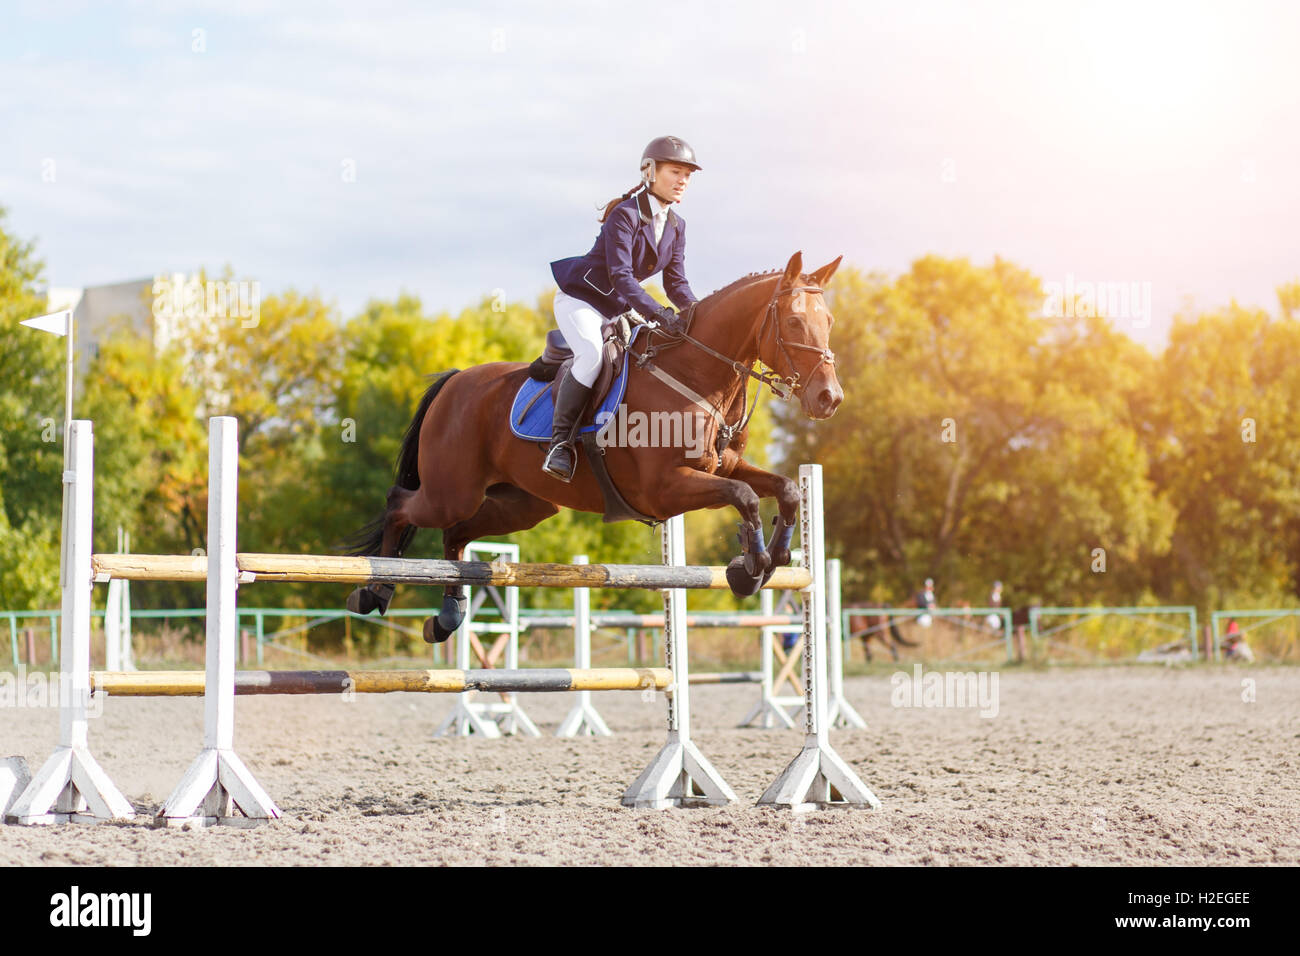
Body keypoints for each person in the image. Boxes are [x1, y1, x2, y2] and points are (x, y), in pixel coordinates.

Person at [544, 136, 702, 481]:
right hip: (581, 301)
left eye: (687, 175)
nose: (682, 181)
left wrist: (699, 314)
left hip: (617, 309)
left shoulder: (677, 226)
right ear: (650, 171)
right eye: (675, 171)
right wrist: (657, 313)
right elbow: (622, 276)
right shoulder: (625, 215)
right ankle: (560, 444)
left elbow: (676, 284)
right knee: (592, 355)